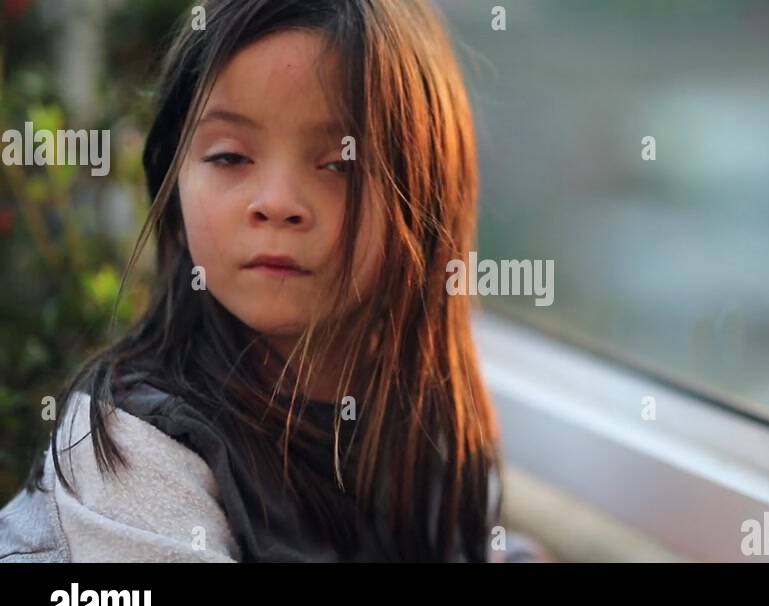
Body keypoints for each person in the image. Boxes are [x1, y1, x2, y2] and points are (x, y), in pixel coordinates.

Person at [0, 0, 516, 563]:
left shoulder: (430, 426)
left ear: (428, 200)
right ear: (175, 179)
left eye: (340, 164)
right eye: (228, 157)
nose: (276, 203)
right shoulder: (134, 446)